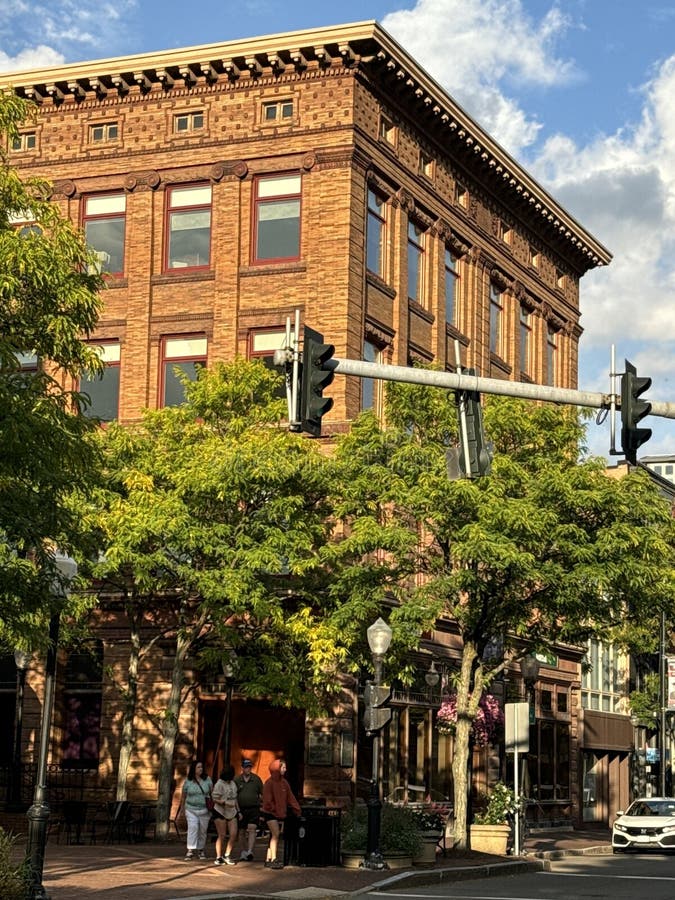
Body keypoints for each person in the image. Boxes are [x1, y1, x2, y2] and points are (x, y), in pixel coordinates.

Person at [261, 758, 301, 869]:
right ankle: (274, 858)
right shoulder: (269, 783)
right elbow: (267, 801)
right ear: (277, 768)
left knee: (273, 835)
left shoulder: (284, 783)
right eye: (283, 767)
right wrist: (275, 809)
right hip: (270, 812)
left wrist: (297, 809)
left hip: (279, 812)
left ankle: (268, 859)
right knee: (276, 834)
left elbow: (290, 797)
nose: (285, 769)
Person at [176, 760, 213, 861]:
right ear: (194, 769)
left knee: (203, 830)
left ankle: (201, 849)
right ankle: (190, 850)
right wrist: (182, 809)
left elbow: (212, 793)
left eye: (201, 767)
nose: (200, 769)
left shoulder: (207, 780)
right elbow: (184, 795)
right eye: (198, 767)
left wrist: (212, 807)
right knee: (193, 828)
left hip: (204, 809)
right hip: (191, 809)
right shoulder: (188, 781)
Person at [234, 757, 264, 861]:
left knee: (252, 829)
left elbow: (262, 793)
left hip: (254, 808)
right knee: (241, 831)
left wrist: (262, 805)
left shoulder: (256, 779)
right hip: (241, 808)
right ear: (242, 768)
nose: (248, 769)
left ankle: (250, 851)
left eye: (249, 767)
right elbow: (234, 795)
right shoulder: (237, 780)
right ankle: (243, 851)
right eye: (246, 767)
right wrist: (237, 810)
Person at [212, 763, 240, 866]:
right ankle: (218, 856)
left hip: (232, 811)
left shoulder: (233, 784)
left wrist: (239, 811)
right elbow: (214, 798)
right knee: (222, 835)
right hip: (220, 811)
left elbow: (235, 798)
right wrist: (224, 802)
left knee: (233, 834)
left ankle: (227, 854)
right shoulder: (219, 784)